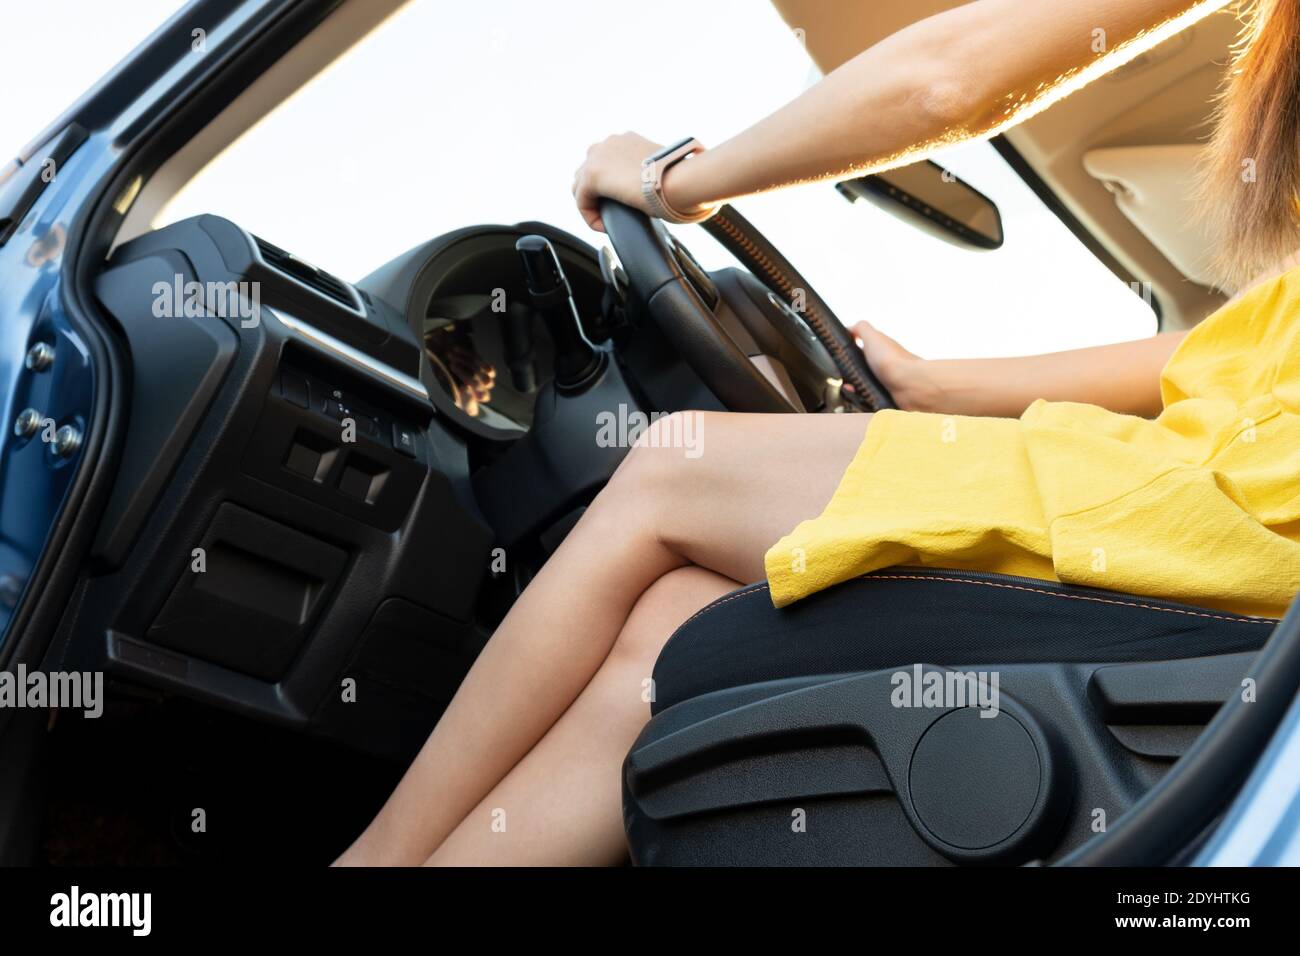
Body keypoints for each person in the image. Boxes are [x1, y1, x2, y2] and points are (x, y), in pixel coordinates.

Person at [337, 0, 1291, 866]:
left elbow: (949, 76)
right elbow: (1223, 349)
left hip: (1232, 522)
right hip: (1217, 506)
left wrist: (676, 179)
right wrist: (936, 388)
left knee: (680, 465)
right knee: (674, 619)